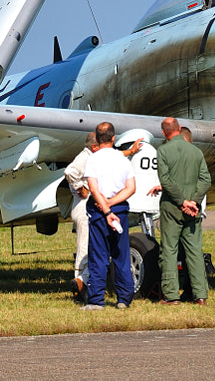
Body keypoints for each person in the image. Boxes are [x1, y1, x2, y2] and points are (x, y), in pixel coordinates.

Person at [156, 117, 211, 305]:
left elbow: (165, 180)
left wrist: (182, 202)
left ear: (163, 133)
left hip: (172, 207)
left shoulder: (163, 151)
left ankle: (172, 295)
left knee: (169, 250)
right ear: (179, 128)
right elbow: (206, 180)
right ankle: (200, 295)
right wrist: (194, 201)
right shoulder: (196, 152)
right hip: (193, 210)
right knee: (194, 251)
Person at [82, 122, 136, 310]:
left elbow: (94, 189)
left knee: (99, 256)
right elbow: (131, 188)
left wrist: (106, 208)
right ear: (114, 138)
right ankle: (124, 299)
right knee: (121, 255)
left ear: (97, 140)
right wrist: (113, 204)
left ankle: (97, 300)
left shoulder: (93, 160)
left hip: (99, 211)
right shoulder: (123, 159)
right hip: (119, 210)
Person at [63, 131, 97, 300]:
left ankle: (83, 280)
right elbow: (69, 172)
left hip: (86, 206)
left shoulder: (91, 157)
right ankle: (79, 282)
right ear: (94, 146)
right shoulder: (85, 157)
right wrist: (79, 187)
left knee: (88, 245)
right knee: (84, 246)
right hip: (83, 206)